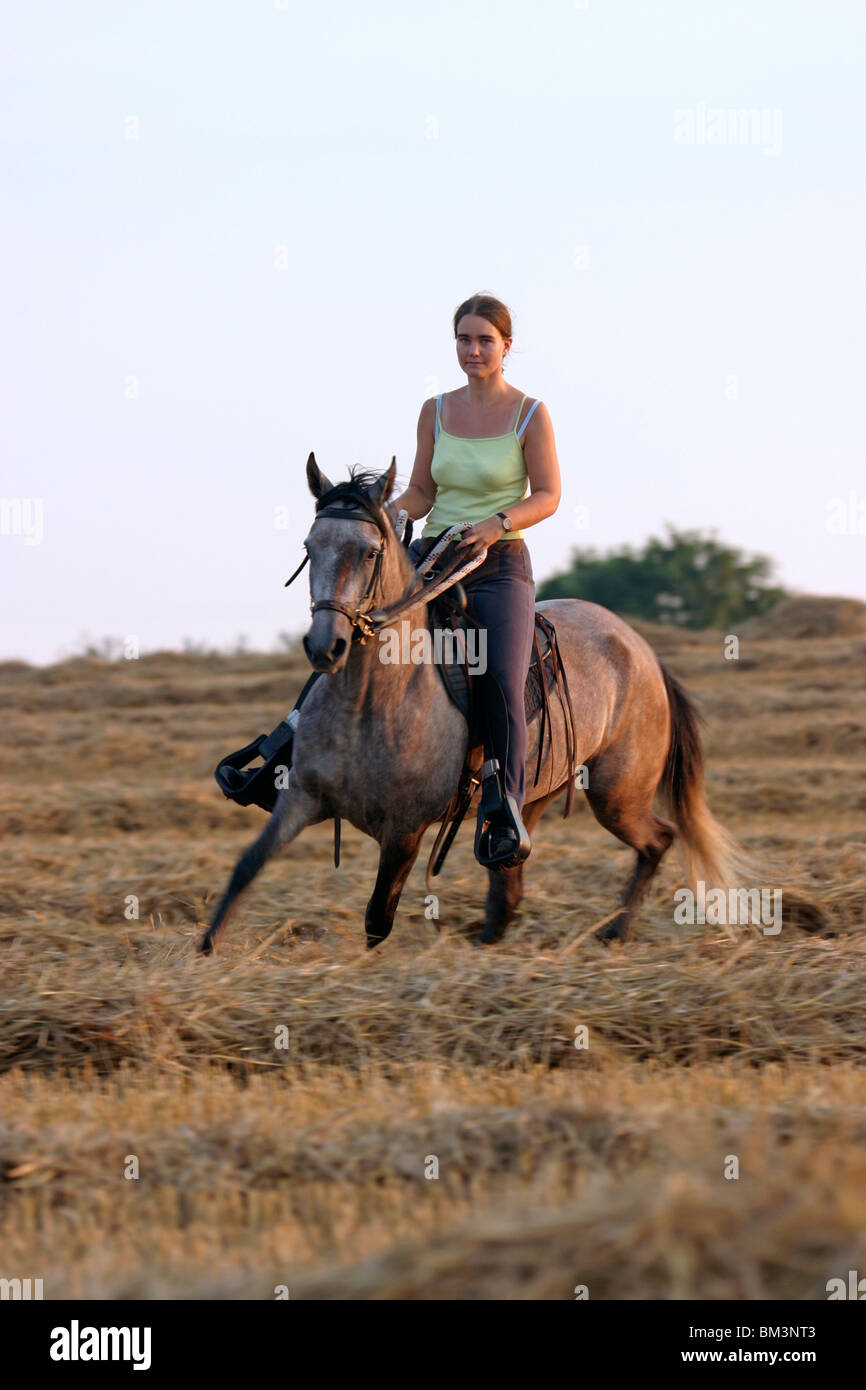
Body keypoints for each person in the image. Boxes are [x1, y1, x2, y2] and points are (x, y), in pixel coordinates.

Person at [386, 292, 561, 861]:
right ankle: (291, 745)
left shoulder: (531, 413)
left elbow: (550, 495)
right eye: (464, 338)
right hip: (435, 555)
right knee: (365, 634)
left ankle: (504, 809)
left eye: (485, 339)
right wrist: (393, 513)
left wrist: (497, 523)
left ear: (507, 347)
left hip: (500, 563)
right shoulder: (434, 410)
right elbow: (422, 491)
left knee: (499, 677)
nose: (473, 349)